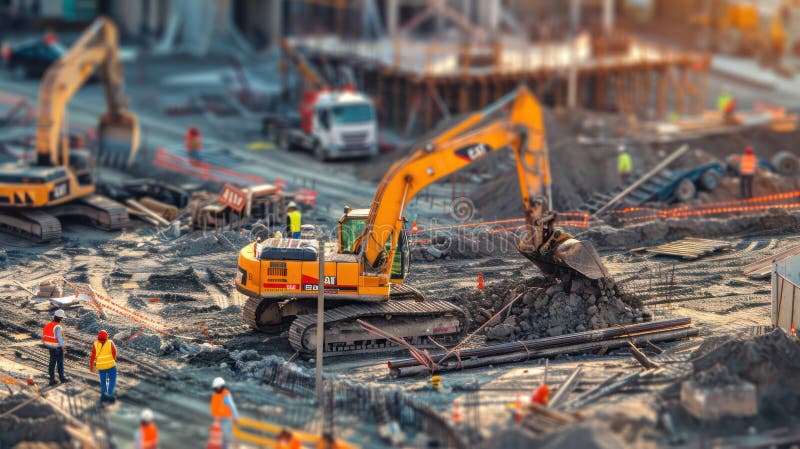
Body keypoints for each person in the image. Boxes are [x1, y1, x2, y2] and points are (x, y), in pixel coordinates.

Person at [210, 377, 239, 449]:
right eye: (216, 388)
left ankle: (234, 443)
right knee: (222, 438)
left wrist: (235, 418)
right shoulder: (216, 395)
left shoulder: (226, 395)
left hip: (226, 419)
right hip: (219, 419)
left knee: (226, 437)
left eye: (218, 388)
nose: (217, 389)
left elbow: (232, 406)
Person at [42, 309, 69, 386]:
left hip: (50, 346)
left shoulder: (49, 324)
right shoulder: (58, 327)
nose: (62, 319)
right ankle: (62, 379)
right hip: (57, 347)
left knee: (52, 363)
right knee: (60, 363)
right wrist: (63, 348)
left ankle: (52, 380)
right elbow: (60, 338)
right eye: (62, 318)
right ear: (60, 318)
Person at [89, 329, 118, 403]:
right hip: (111, 366)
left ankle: (103, 396)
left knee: (103, 381)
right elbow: (114, 352)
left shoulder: (95, 344)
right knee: (112, 381)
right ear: (106, 336)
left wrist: (91, 367)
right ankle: (110, 396)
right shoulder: (110, 342)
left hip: (101, 366)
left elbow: (92, 356)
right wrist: (113, 360)